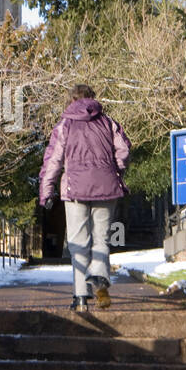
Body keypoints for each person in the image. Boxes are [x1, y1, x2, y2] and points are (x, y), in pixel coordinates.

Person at [39, 85, 131, 310]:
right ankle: (99, 275)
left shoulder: (64, 126)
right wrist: (114, 170)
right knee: (102, 238)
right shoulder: (108, 122)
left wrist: (46, 191)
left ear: (72, 100)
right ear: (93, 99)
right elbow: (125, 150)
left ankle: (80, 297)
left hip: (75, 189)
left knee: (78, 243)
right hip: (106, 186)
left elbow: (53, 161)